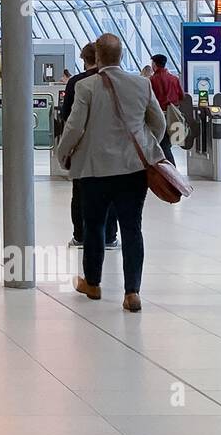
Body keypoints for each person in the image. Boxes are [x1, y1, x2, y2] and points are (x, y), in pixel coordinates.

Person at [55, 33, 166, 313]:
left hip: (95, 170)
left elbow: (75, 126)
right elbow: (159, 123)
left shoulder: (87, 86)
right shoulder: (141, 84)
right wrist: (144, 144)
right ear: (121, 55)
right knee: (132, 228)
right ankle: (132, 292)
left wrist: (63, 153)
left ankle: (92, 283)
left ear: (99, 57)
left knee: (94, 225)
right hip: (133, 170)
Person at [60, 43, 119, 250]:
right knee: (111, 194)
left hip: (83, 147)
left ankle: (80, 235)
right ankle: (110, 236)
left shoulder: (77, 82)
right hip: (114, 147)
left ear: (84, 59)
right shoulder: (119, 81)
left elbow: (67, 116)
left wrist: (65, 149)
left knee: (80, 193)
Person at [149, 53, 184, 164]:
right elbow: (181, 96)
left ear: (154, 64)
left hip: (158, 116)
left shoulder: (151, 80)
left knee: (163, 145)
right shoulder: (174, 79)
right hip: (172, 115)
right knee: (167, 144)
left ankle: (171, 170)